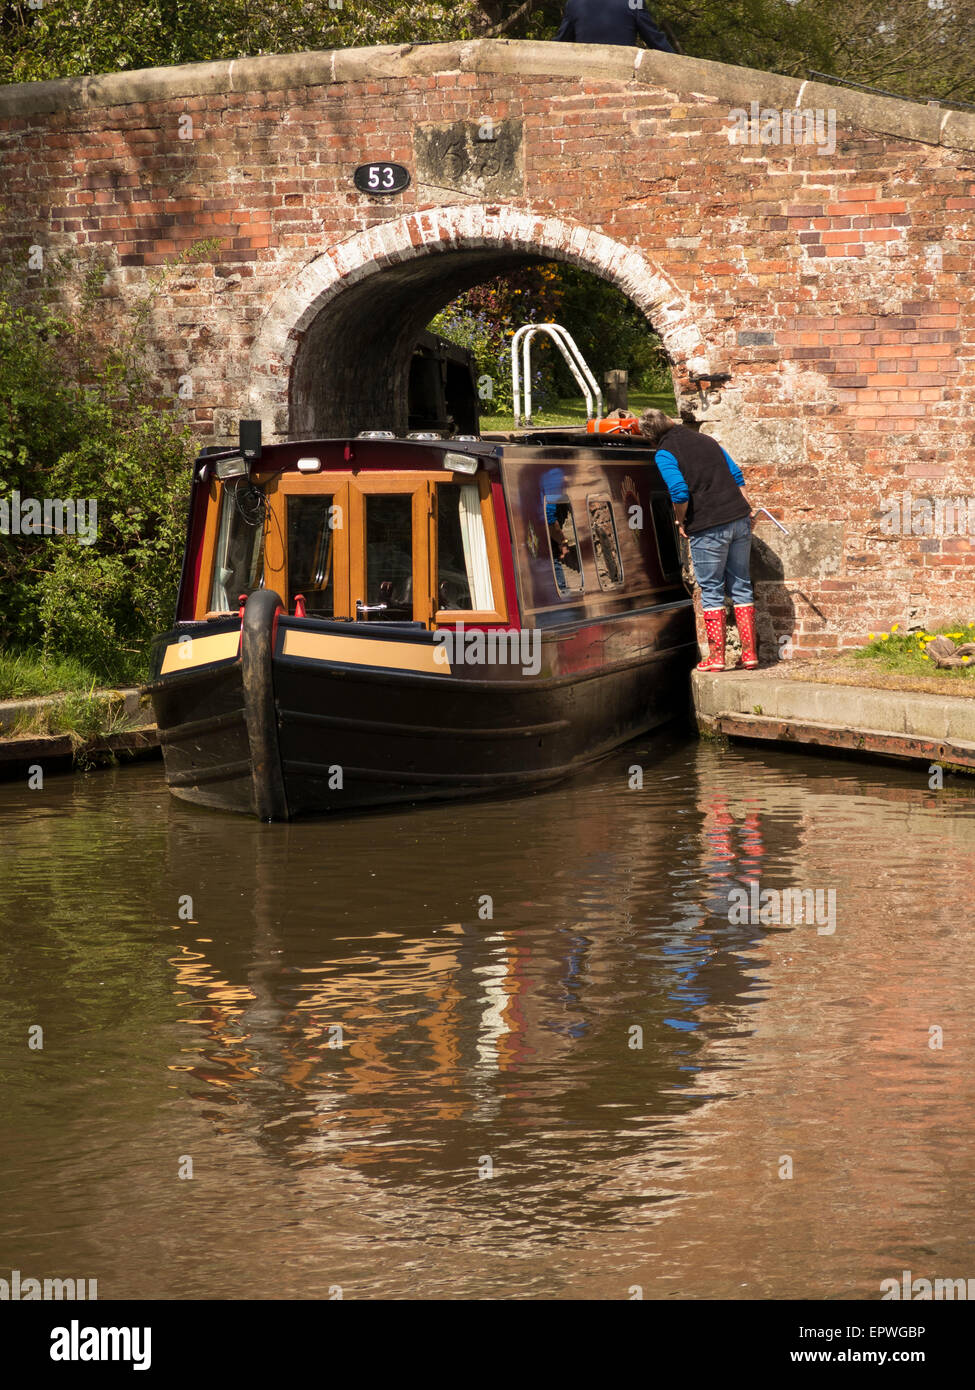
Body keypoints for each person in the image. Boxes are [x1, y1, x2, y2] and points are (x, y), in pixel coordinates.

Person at [640, 408, 758, 671]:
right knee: (741, 585)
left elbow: (679, 492)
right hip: (739, 519)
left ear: (650, 436)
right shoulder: (706, 440)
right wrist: (745, 509)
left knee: (712, 589)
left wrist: (681, 521)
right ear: (669, 421)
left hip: (708, 527)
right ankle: (749, 654)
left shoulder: (664, 453)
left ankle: (717, 657)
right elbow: (736, 475)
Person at [556, 0, 676, 52]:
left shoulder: (574, 3)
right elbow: (654, 39)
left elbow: (560, 42)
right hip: (623, 78)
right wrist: (678, 60)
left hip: (586, 79)